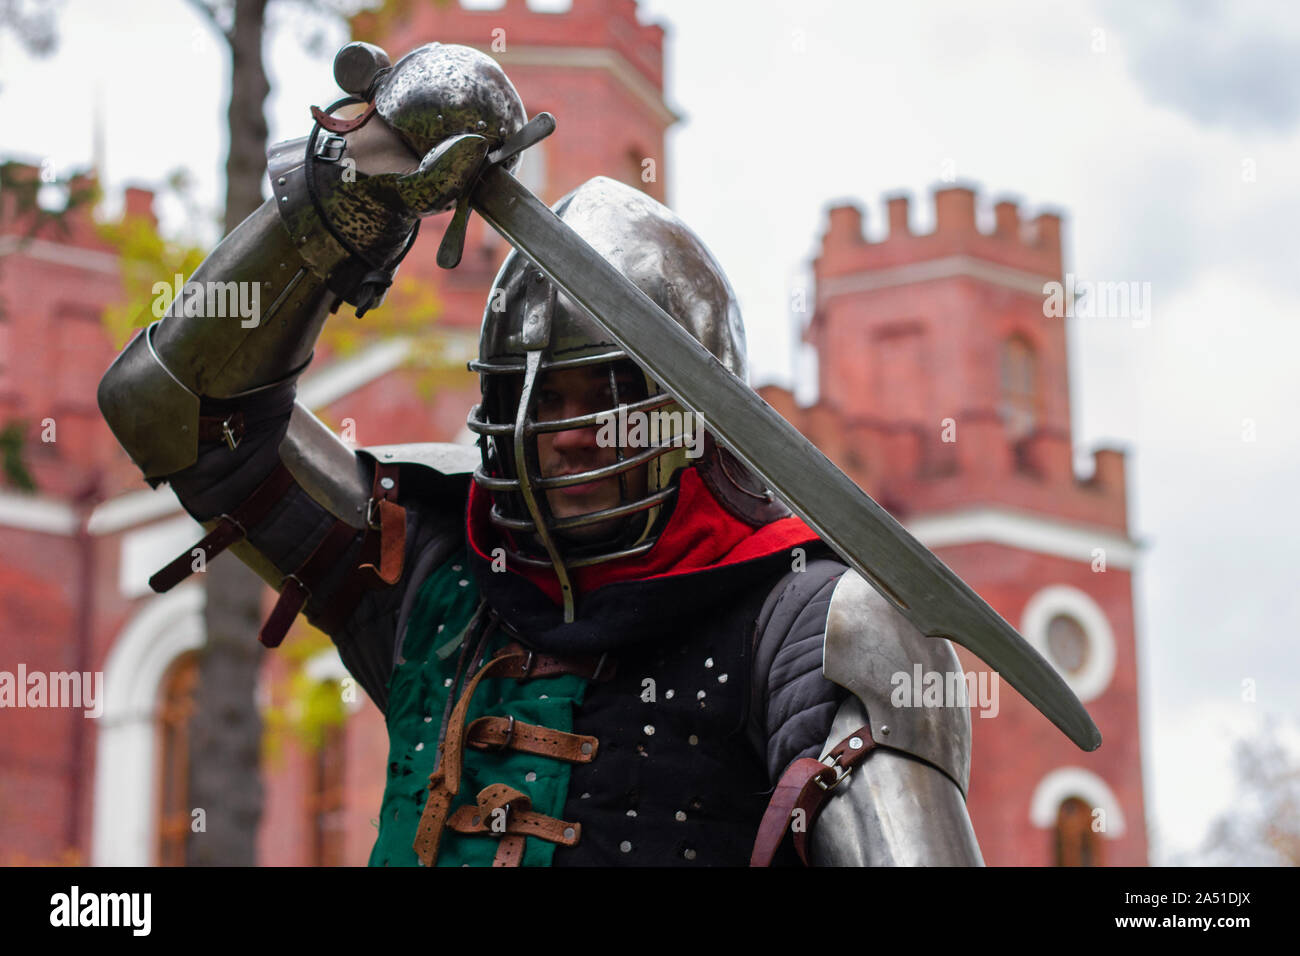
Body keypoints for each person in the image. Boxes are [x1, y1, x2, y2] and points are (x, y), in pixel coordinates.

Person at [98, 41, 983, 867]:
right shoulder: (437, 573)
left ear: (691, 415)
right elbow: (175, 411)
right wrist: (345, 195)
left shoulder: (815, 627)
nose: (566, 431)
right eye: (541, 397)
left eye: (608, 399)